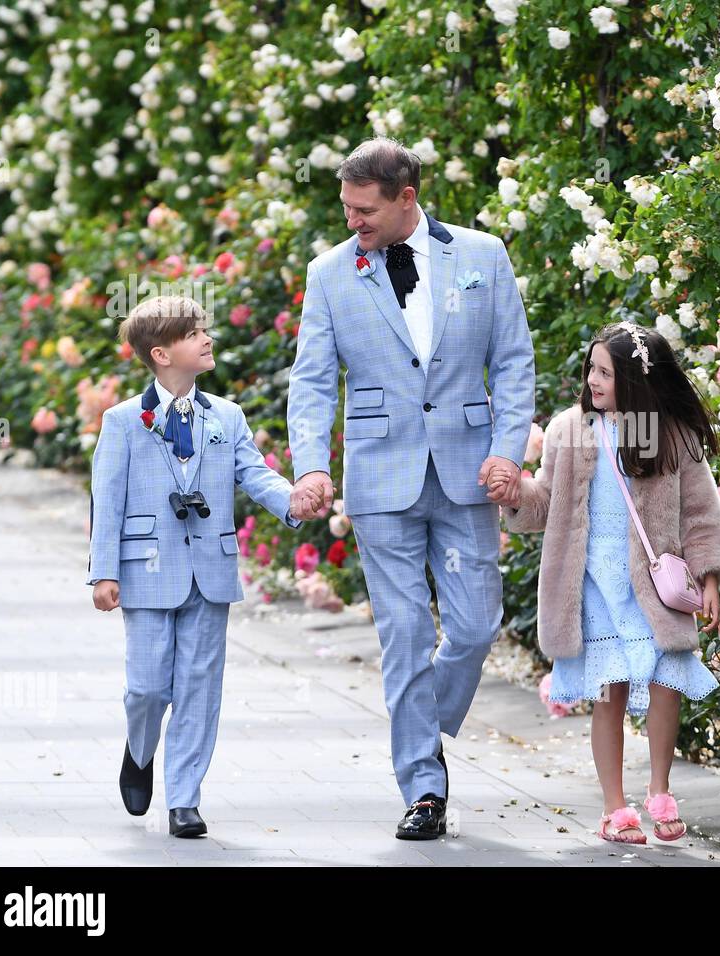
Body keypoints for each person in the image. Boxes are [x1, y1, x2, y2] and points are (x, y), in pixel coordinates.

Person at [286, 137, 534, 840]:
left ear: (407, 199)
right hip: (379, 477)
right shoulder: (330, 273)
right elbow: (310, 381)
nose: (352, 222)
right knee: (403, 634)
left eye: (365, 210)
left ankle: (423, 723)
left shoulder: (484, 256)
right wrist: (311, 462)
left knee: (477, 625)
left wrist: (507, 452)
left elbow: (513, 363)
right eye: (346, 209)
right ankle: (424, 786)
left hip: (467, 476)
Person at [499, 321, 720, 844]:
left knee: (667, 681)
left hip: (651, 583)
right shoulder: (569, 430)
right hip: (592, 585)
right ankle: (614, 807)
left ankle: (659, 789)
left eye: (606, 372)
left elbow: (700, 515)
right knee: (610, 692)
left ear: (635, 381)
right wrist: (516, 493)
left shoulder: (672, 433)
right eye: (592, 369)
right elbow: (545, 504)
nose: (594, 379)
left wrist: (710, 577)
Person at [87, 294, 302, 837]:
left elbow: (253, 472)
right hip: (145, 569)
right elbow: (107, 498)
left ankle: (184, 798)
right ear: (160, 353)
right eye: (194, 334)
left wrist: (292, 500)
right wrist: (104, 570)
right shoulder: (123, 422)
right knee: (148, 687)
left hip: (211, 567)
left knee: (200, 686)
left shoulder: (226, 417)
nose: (207, 339)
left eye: (206, 330)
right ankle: (140, 751)